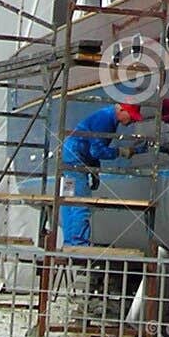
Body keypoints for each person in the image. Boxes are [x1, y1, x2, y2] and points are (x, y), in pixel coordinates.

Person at [59, 102, 144, 247]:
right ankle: (79, 244)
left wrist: (95, 169)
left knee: (69, 201)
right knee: (81, 203)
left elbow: (92, 146)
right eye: (131, 117)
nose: (133, 121)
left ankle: (69, 242)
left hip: (70, 156)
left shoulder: (106, 116)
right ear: (122, 110)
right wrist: (120, 152)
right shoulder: (105, 120)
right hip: (77, 159)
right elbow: (96, 151)